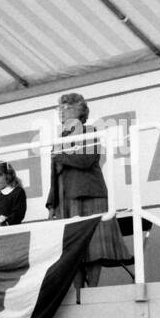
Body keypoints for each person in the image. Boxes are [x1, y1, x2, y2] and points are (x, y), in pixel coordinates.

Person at [45, 92, 132, 288]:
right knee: (71, 251)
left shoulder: (90, 131)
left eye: (67, 108)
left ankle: (92, 290)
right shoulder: (60, 138)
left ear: (81, 111)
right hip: (66, 200)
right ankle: (79, 293)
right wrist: (52, 204)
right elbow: (54, 176)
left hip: (89, 195)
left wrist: (59, 156)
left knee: (93, 247)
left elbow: (86, 160)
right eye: (61, 108)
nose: (62, 112)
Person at [0, 162, 27, 227]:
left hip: (12, 232)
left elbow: (18, 214)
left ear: (8, 175)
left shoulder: (17, 192)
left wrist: (5, 222)